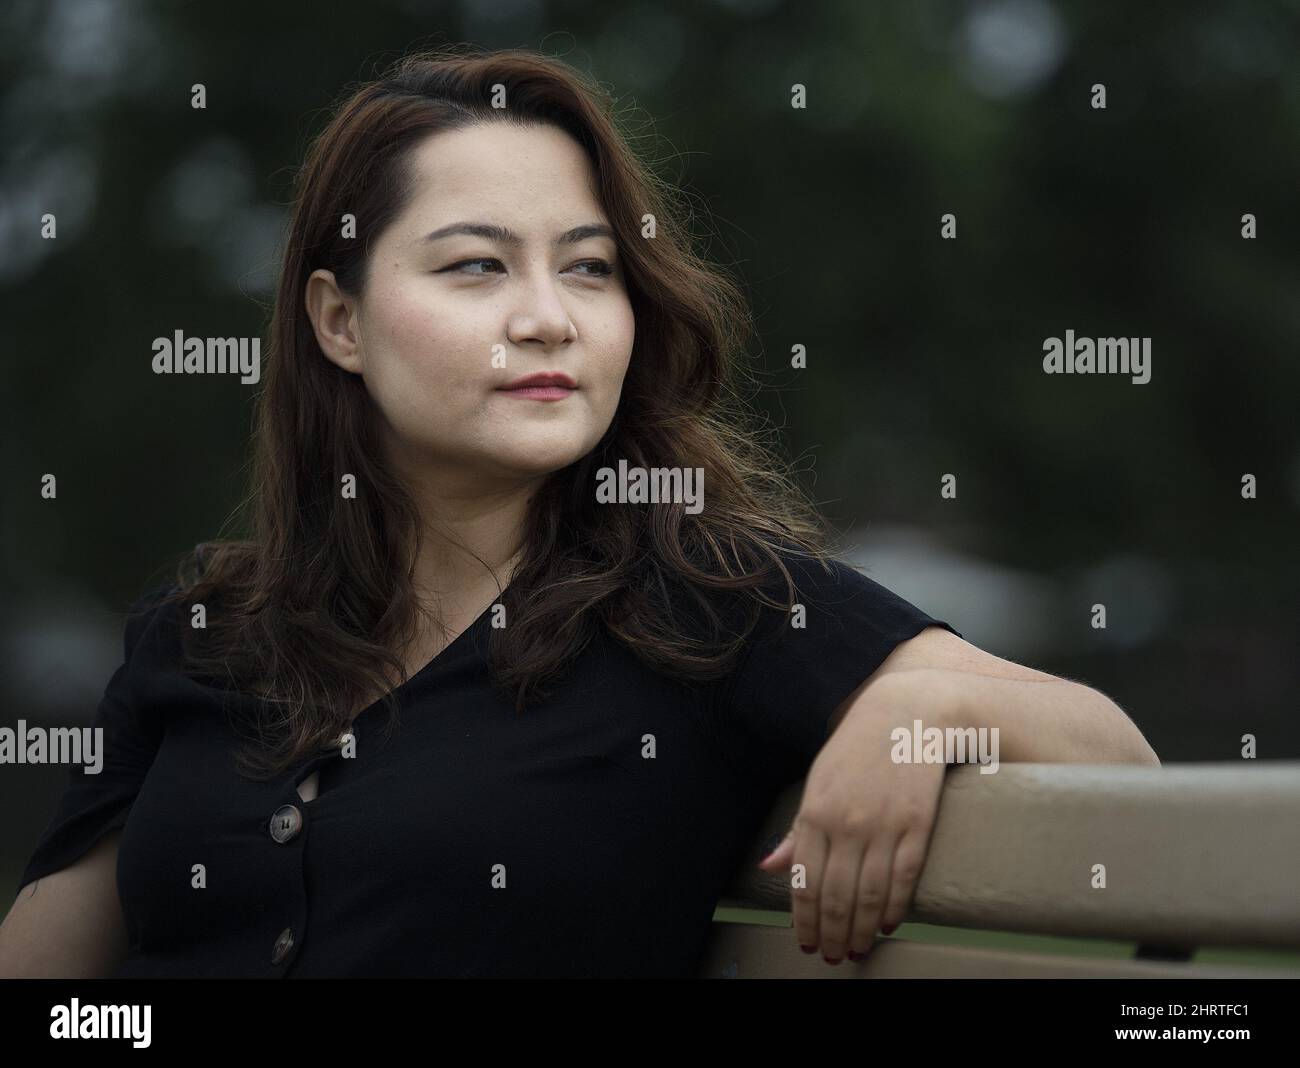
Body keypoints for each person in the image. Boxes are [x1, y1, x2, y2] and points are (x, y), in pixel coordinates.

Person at [0, 45, 1159, 979]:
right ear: (337, 321)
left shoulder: (699, 602)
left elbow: (1115, 749)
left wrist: (923, 709)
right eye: (476, 267)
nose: (550, 317)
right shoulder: (203, 634)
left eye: (591, 268)